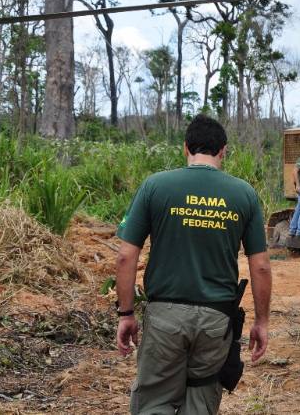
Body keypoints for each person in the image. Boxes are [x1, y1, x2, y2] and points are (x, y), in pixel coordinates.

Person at [114, 115, 272, 415]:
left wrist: (126, 313)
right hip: (216, 320)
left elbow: (125, 256)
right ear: (223, 151)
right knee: (201, 403)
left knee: (154, 402)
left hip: (164, 318)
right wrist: (261, 322)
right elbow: (261, 266)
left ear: (185, 147)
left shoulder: (155, 186)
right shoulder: (244, 194)